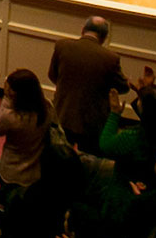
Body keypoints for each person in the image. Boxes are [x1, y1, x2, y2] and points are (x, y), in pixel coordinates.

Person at [47, 16, 128, 151]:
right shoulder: (111, 58)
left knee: (58, 160)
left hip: (63, 114)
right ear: (104, 37)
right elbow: (122, 87)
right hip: (92, 122)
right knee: (90, 164)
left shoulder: (62, 46)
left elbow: (52, 75)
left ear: (83, 30)